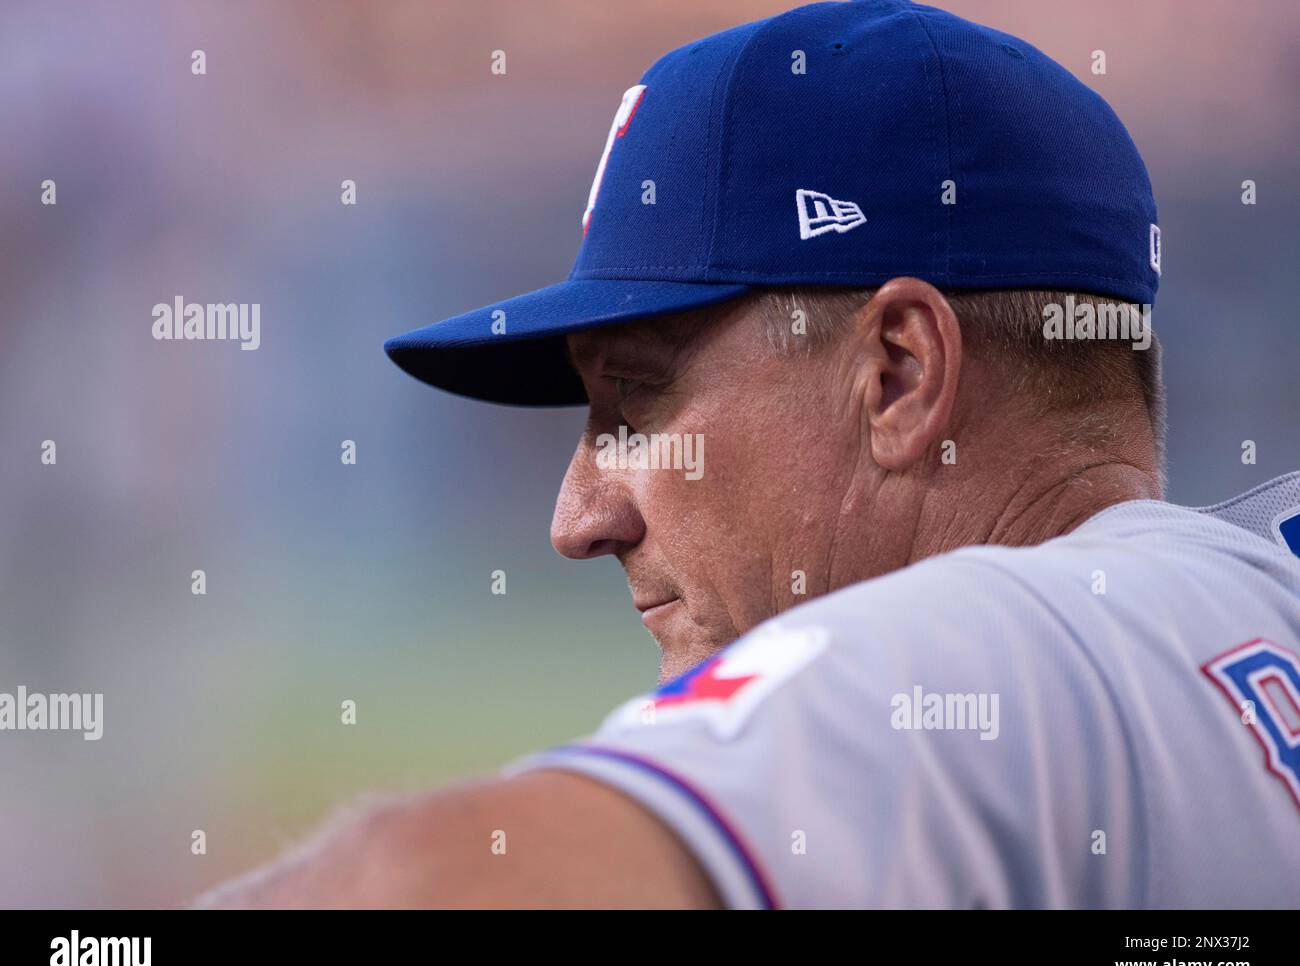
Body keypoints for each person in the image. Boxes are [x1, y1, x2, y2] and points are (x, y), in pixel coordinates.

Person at [198, 0, 1300, 908]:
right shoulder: (1241, 592)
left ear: (899, 376)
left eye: (632, 409)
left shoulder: (976, 659)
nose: (578, 516)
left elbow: (414, 885)